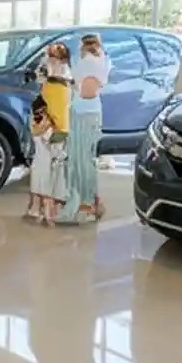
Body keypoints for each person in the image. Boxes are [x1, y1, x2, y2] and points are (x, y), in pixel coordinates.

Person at [61, 33, 110, 224]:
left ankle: (87, 204)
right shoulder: (101, 62)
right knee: (84, 159)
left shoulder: (88, 62)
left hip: (83, 113)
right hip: (88, 111)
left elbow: (84, 90)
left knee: (81, 160)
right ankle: (92, 202)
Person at [28, 43, 71, 224]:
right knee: (45, 167)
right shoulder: (58, 82)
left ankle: (42, 207)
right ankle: (41, 206)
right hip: (50, 128)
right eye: (49, 58)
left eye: (53, 58)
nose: (50, 61)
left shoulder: (58, 83)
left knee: (46, 168)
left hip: (52, 128)